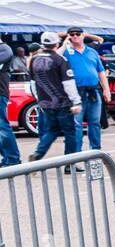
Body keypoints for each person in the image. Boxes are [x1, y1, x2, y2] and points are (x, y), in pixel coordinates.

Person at [28, 31, 82, 165]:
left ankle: (38, 154)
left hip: (45, 103)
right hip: (62, 103)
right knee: (70, 133)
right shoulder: (60, 59)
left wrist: (39, 99)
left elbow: (33, 82)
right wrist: (76, 101)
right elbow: (68, 83)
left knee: (52, 131)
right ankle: (70, 163)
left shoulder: (34, 59)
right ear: (56, 44)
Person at [61, 26, 110, 151]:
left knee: (95, 123)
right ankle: (76, 154)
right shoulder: (65, 51)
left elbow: (101, 72)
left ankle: (96, 151)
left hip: (93, 91)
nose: (75, 36)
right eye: (72, 34)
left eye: (78, 34)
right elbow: (54, 45)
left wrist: (106, 90)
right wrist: (66, 39)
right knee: (76, 125)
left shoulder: (92, 51)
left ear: (83, 35)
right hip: (75, 93)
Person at [0, 36, 19, 167]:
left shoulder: (5, 49)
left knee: (3, 126)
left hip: (0, 92)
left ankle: (12, 158)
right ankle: (7, 157)